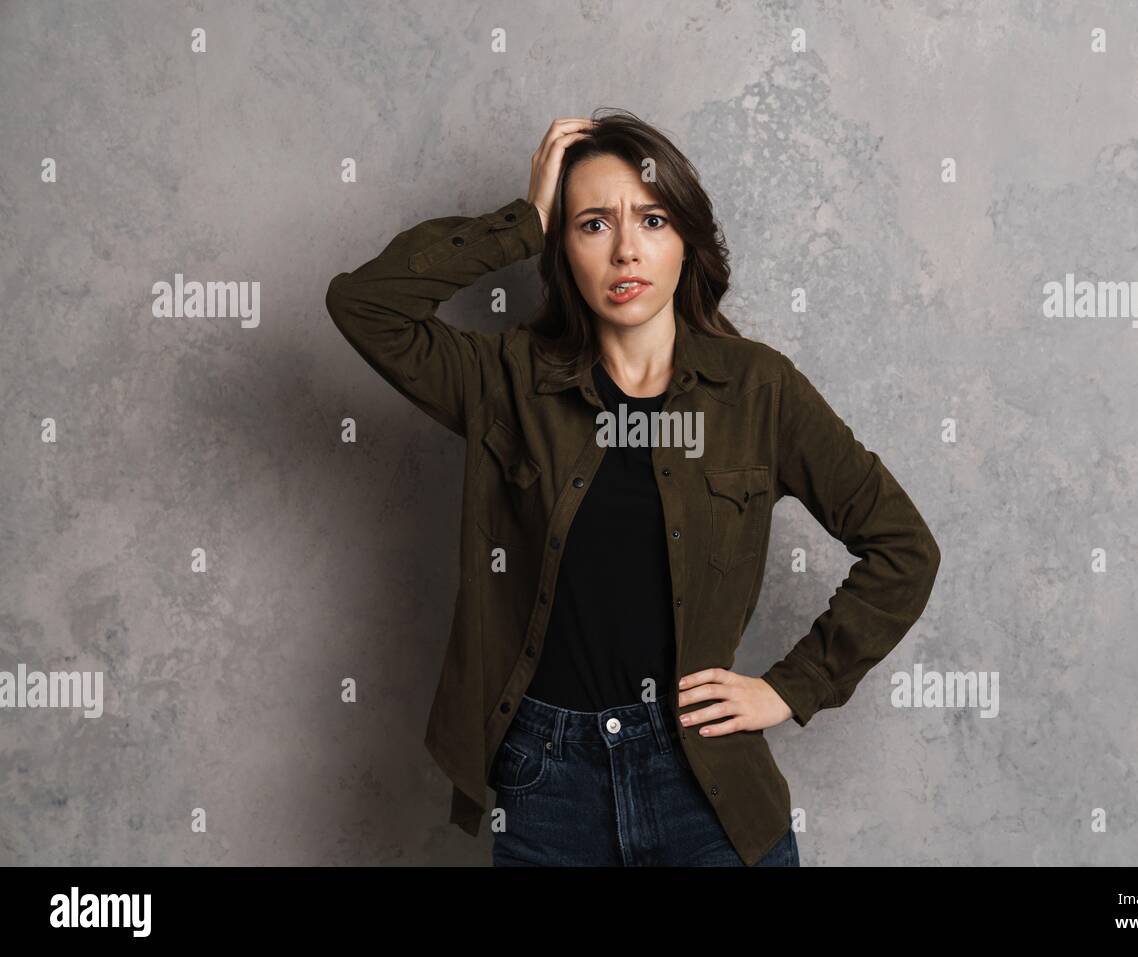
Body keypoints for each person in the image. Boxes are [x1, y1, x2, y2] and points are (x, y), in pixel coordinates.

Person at [325, 109, 941, 866]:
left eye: (651, 218)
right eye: (591, 224)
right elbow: (364, 306)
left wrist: (791, 687)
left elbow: (904, 548)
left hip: (706, 787)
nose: (626, 249)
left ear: (686, 237)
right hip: (548, 788)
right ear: (562, 248)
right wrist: (522, 220)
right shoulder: (507, 380)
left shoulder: (759, 390)